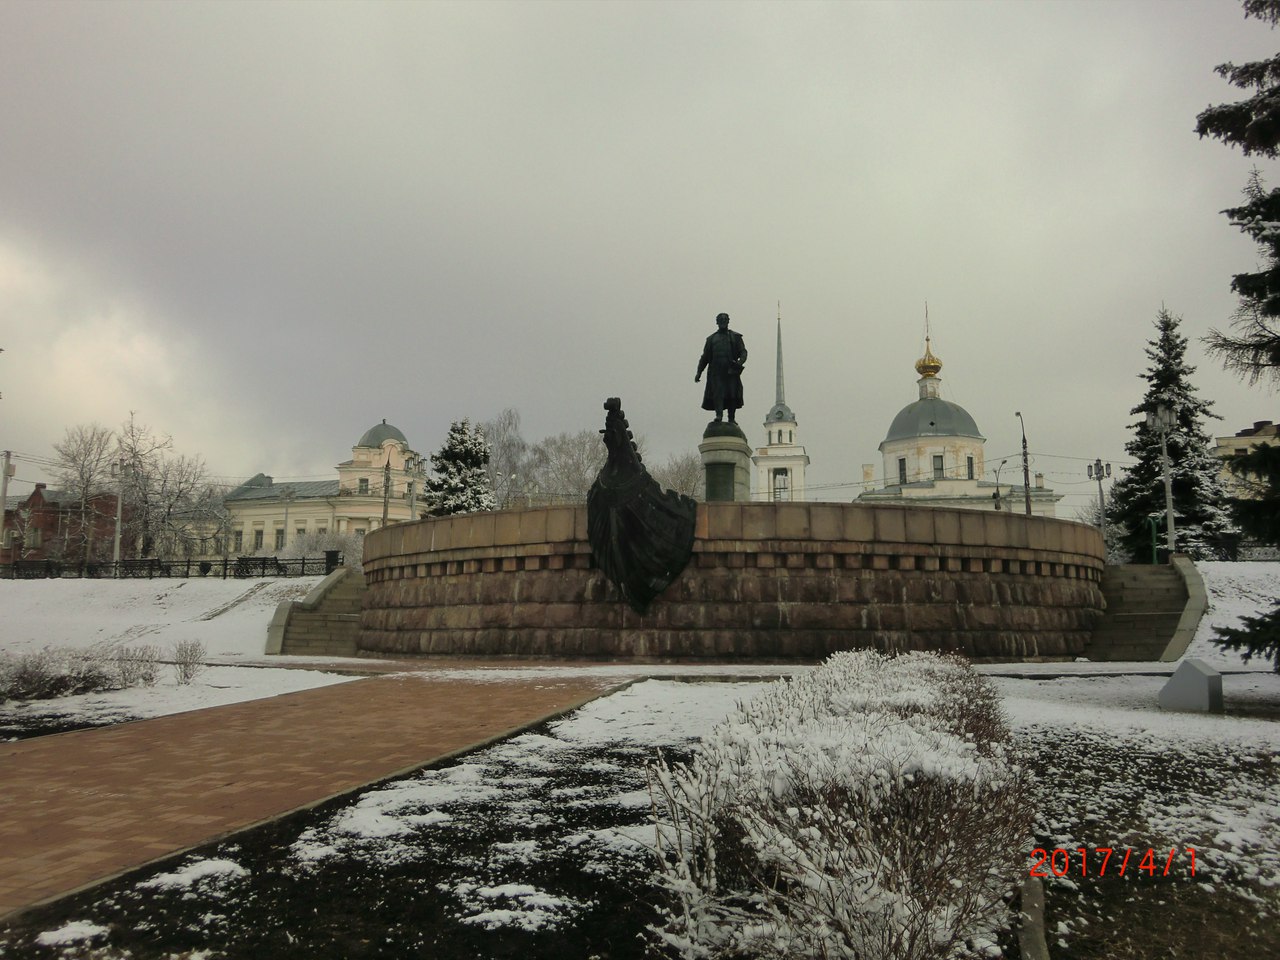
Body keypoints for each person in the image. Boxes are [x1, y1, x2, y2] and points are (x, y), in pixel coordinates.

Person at [695, 313, 747, 422]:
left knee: (732, 394)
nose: (723, 321)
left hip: (731, 370)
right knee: (718, 393)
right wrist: (699, 372)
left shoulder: (735, 337)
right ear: (717, 322)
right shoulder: (711, 339)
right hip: (716, 371)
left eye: (725, 319)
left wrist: (739, 363)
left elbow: (743, 352)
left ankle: (731, 419)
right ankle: (719, 415)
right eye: (720, 320)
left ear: (728, 321)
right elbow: (705, 357)